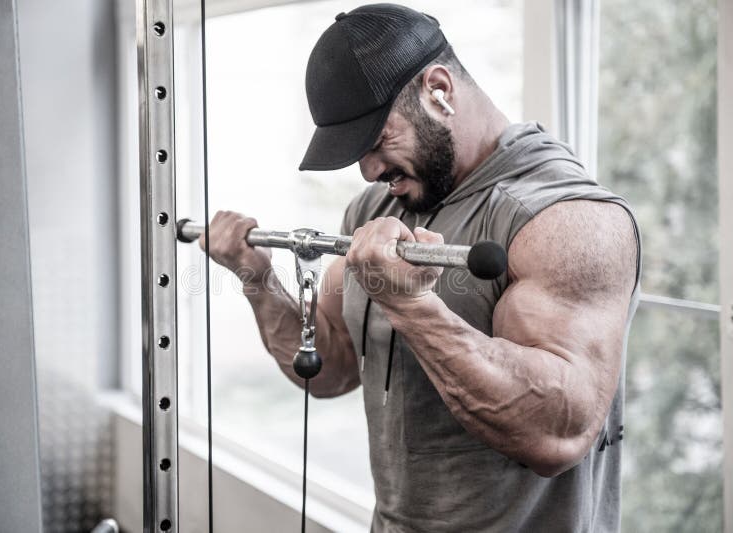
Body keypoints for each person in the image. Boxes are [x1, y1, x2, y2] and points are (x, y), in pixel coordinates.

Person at [201, 4, 640, 532]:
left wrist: (410, 304)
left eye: (378, 140)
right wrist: (256, 277)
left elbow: (557, 435)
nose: (368, 169)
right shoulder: (375, 209)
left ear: (438, 90)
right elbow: (331, 368)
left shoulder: (564, 219)